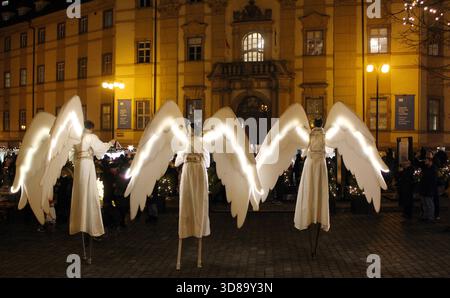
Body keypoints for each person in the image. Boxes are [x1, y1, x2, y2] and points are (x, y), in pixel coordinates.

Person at [70, 120, 115, 263]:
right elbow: (100, 150)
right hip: (87, 166)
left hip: (78, 168)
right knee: (89, 196)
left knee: (80, 195)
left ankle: (81, 226)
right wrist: (110, 143)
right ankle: (90, 227)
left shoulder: (76, 139)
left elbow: (71, 155)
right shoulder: (91, 137)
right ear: (91, 128)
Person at [419, 152, 437, 222]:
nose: (424, 162)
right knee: (424, 203)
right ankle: (425, 216)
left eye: (426, 160)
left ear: (430, 161)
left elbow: (433, 180)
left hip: (429, 189)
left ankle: (430, 217)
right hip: (424, 188)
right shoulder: (426, 168)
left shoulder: (433, 168)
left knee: (429, 203)